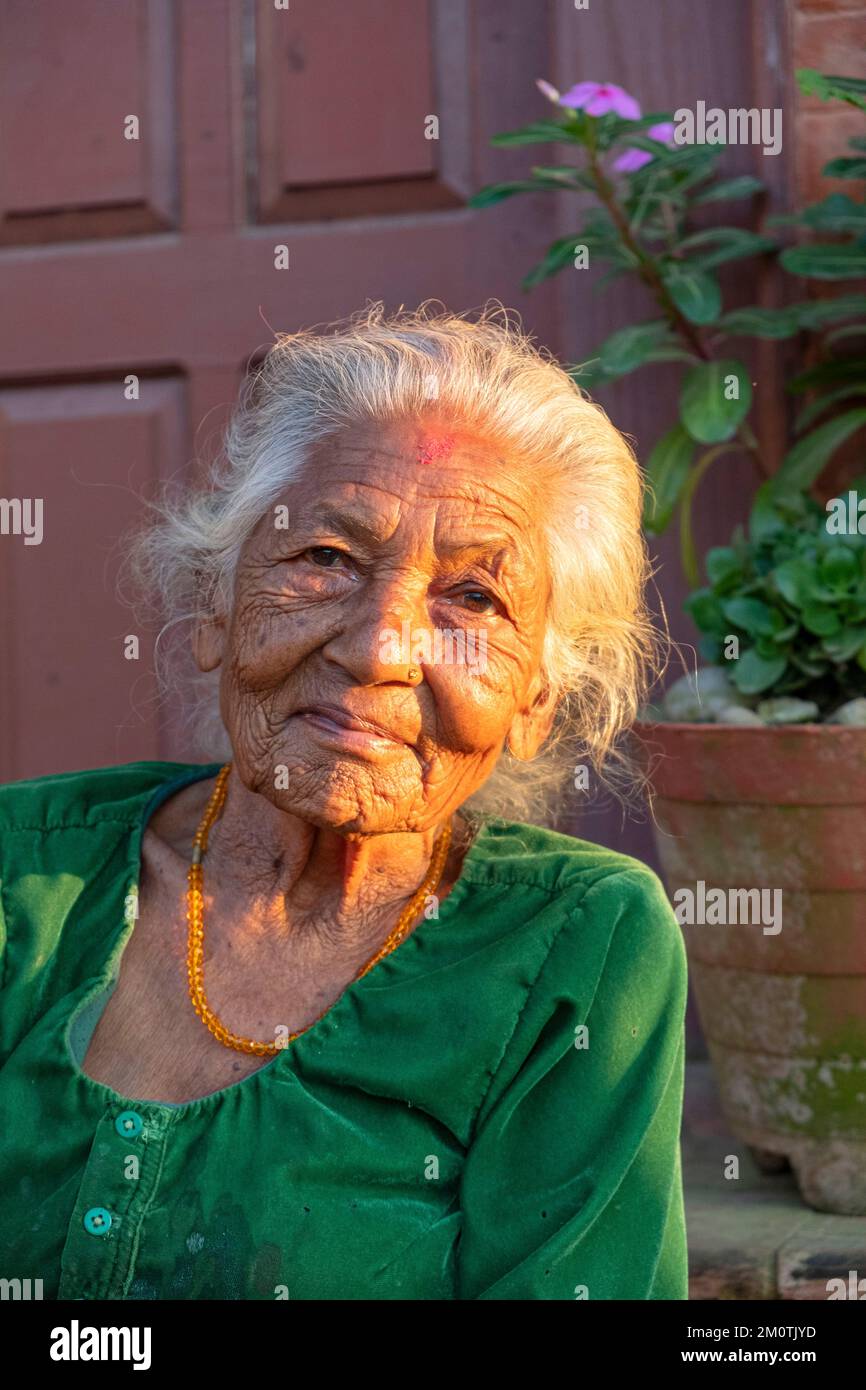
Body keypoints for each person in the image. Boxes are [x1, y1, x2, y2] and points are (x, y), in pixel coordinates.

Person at [0, 303, 687, 1300]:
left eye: (473, 599)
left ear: (533, 701)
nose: (378, 647)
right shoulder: (25, 875)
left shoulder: (580, 948)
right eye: (324, 559)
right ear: (213, 609)